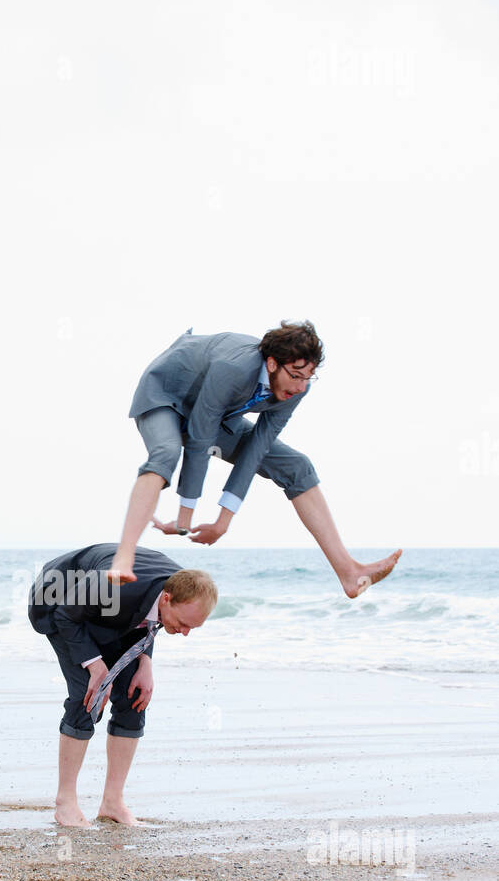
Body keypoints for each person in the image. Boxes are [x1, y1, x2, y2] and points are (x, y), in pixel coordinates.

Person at [107, 321, 402, 596]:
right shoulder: (233, 369)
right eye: (295, 376)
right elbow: (200, 439)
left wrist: (223, 523)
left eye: (307, 378)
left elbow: (256, 449)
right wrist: (185, 520)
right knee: (166, 452)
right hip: (166, 395)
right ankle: (124, 555)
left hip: (215, 412)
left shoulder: (296, 389)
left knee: (296, 466)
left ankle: (349, 572)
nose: (301, 387)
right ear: (272, 363)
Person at [28, 544, 217, 827]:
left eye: (193, 627)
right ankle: (65, 802)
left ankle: (112, 802)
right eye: (182, 624)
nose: (185, 633)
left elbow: (152, 620)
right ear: (167, 599)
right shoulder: (117, 586)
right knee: (87, 696)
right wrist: (94, 664)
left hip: (114, 611)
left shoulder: (182, 588)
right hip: (59, 599)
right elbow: (66, 614)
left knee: (134, 696)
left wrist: (145, 662)